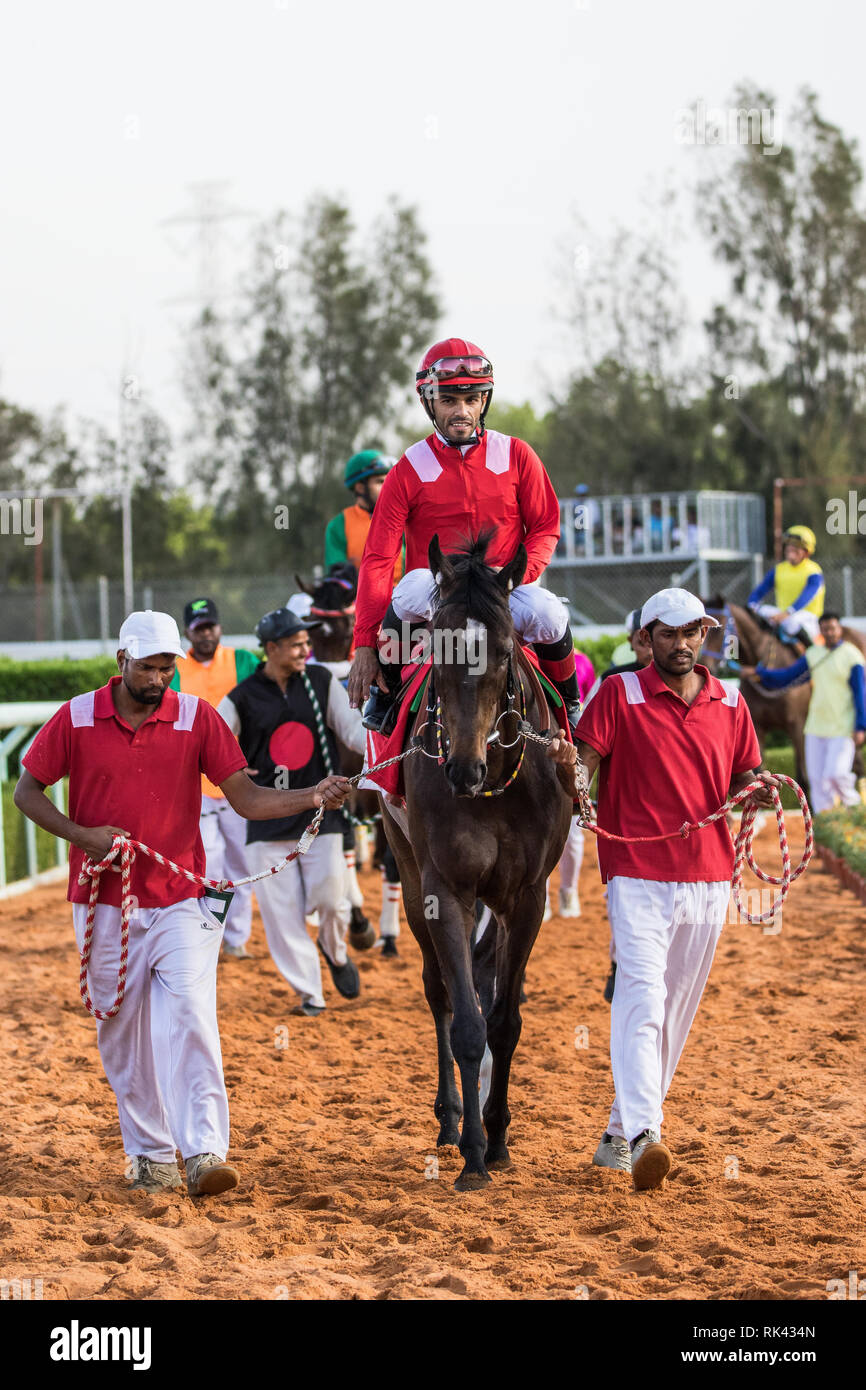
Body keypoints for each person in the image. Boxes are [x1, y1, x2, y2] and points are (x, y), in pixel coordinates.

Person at [13, 611, 350, 1197]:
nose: (159, 676)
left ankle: (202, 1151)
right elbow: (26, 791)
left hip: (181, 898)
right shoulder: (75, 716)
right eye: (147, 666)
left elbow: (243, 798)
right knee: (120, 1032)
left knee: (191, 1015)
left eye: (167, 665)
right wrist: (82, 834)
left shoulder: (196, 716)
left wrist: (311, 793)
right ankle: (148, 1154)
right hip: (105, 901)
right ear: (121, 661)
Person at [573, 588, 778, 1191]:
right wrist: (575, 783)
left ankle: (617, 1133)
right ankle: (645, 1134)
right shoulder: (618, 693)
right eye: (668, 633)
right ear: (647, 638)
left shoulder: (732, 700)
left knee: (675, 1014)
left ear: (706, 635)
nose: (681, 643)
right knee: (641, 996)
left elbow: (744, 772)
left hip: (712, 876)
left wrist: (760, 789)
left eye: (692, 632)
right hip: (636, 873)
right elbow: (584, 760)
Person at [347, 338, 580, 736]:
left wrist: (514, 578)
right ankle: (386, 693)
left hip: (503, 590)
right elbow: (380, 559)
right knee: (411, 585)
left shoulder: (518, 454)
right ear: (429, 403)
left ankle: (569, 703)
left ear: (483, 401)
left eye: (472, 399)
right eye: (450, 400)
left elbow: (545, 527)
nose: (462, 411)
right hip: (439, 592)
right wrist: (366, 643)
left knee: (549, 612)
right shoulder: (408, 468)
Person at [217, 608, 367, 1018]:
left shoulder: (321, 682)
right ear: (271, 648)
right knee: (282, 916)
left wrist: (386, 748)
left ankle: (335, 952)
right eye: (297, 643)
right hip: (266, 821)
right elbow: (213, 737)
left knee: (332, 902)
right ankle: (310, 993)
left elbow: (352, 730)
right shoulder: (241, 696)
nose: (306, 649)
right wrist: (227, 763)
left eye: (307, 642)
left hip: (324, 813)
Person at [170, 597, 259, 960]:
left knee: (241, 864)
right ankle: (209, 938)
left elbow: (262, 708)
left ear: (219, 627)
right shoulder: (174, 668)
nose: (205, 633)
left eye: (210, 626)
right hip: (194, 785)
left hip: (239, 780)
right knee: (207, 866)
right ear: (188, 631)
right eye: (198, 628)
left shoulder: (243, 661)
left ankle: (237, 940)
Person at [740, 611, 866, 813]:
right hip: (816, 726)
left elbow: (860, 693)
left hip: (842, 727)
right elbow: (787, 677)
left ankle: (856, 812)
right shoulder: (814, 653)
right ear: (821, 631)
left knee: (837, 775)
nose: (830, 633)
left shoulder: (852, 656)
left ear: (839, 629)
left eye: (833, 628)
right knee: (816, 780)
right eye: (825, 629)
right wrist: (758, 673)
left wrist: (861, 726)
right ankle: (825, 825)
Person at [324, 450, 403, 583]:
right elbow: (338, 574)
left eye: (390, 480)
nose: (389, 487)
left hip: (405, 596)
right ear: (360, 488)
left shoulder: (406, 519)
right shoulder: (339, 524)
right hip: (357, 598)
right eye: (380, 482)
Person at [746, 525, 825, 646]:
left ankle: (810, 656)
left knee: (793, 621)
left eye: (797, 546)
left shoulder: (813, 571)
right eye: (788, 544)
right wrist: (752, 606)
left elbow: (807, 596)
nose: (790, 548)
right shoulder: (779, 569)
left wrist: (786, 613)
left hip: (807, 617)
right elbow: (760, 591)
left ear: (807, 551)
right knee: (760, 613)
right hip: (782, 614)